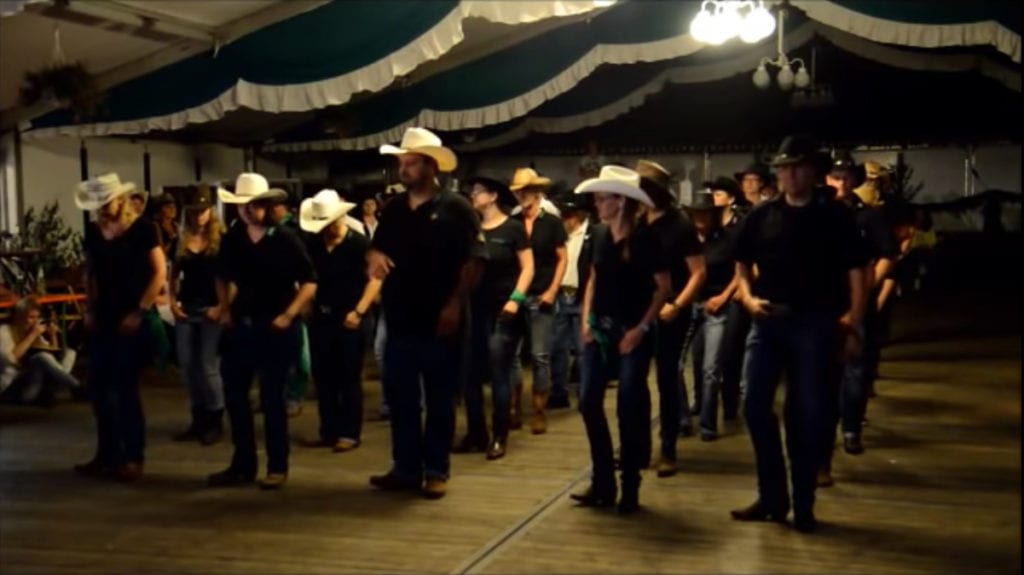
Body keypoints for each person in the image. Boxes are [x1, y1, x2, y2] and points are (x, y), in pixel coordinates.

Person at [730, 135, 867, 533]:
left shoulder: (834, 215)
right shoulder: (762, 214)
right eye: (783, 168)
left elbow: (857, 273)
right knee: (755, 406)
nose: (789, 175)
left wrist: (853, 323)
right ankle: (772, 496)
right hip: (769, 319)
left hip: (815, 322)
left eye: (797, 167)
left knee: (805, 414)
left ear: (813, 171)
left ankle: (802, 502)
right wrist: (748, 299)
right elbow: (741, 264)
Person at [368, 127, 486, 499]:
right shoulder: (395, 209)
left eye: (411, 162)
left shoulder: (456, 208)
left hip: (440, 318)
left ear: (431, 166)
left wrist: (454, 303)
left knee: (439, 397)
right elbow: (377, 248)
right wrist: (372, 256)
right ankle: (405, 467)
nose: (403, 169)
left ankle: (436, 469)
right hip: (401, 316)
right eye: (401, 162)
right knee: (401, 398)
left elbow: (474, 260)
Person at [208, 173, 317, 490]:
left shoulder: (285, 239)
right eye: (242, 205)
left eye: (253, 205)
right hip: (241, 327)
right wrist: (224, 306)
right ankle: (242, 464)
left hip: (275, 328)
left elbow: (309, 281)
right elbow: (221, 274)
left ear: (266, 206)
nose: (247, 211)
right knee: (236, 399)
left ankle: (277, 465)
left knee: (272, 399)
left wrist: (289, 313)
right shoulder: (233, 238)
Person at [572, 166, 670, 514]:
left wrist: (641, 329)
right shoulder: (598, 235)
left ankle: (630, 484)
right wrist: (586, 319)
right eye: (597, 199)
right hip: (600, 327)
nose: (597, 205)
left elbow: (663, 287)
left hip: (632, 328)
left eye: (603, 199)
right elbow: (593, 279)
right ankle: (602, 481)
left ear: (622, 202)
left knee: (629, 402)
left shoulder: (645, 238)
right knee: (587, 402)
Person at [73, 173, 166, 482]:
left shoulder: (143, 230)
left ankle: (133, 455)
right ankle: (106, 453)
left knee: (125, 387)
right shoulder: (94, 232)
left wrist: (140, 310)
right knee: (99, 386)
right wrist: (89, 307)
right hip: (104, 314)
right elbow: (91, 273)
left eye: (105, 203)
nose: (101, 209)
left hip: (131, 314)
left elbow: (159, 273)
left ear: (120, 200)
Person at [456, 177, 534, 459]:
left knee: (499, 370)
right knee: (470, 374)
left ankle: (500, 435)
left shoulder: (512, 228)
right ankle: (476, 433)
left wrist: (516, 299)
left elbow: (528, 267)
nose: (472, 196)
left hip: (504, 308)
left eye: (476, 192)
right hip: (473, 308)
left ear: (492, 196)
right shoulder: (471, 229)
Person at [635, 160, 704, 477]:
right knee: (634, 379)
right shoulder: (637, 222)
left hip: (670, 310)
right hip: (639, 308)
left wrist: (677, 304)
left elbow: (698, 273)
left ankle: (668, 449)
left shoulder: (680, 224)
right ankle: (640, 448)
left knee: (666, 378)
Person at [300, 190, 381, 453]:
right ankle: (329, 429)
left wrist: (358, 311)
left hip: (350, 317)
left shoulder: (359, 244)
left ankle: (349, 432)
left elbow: (375, 280)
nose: (327, 229)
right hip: (321, 316)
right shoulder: (314, 244)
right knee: (324, 376)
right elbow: (307, 277)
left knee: (348, 377)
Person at [508, 167, 568, 435]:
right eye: (518, 191)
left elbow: (562, 257)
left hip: (542, 292)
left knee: (540, 355)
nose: (522, 195)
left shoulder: (551, 222)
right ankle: (512, 409)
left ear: (536, 192)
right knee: (512, 355)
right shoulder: (514, 222)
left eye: (526, 190)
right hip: (516, 295)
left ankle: (539, 410)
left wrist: (553, 290)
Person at [168, 185, 225, 445]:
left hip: (211, 307)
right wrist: (172, 301)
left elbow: (226, 278)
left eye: (203, 211)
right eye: (194, 211)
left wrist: (222, 306)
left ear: (210, 211)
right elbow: (171, 274)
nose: (199, 216)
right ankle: (198, 417)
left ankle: (215, 418)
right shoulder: (181, 240)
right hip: (187, 305)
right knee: (188, 366)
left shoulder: (220, 240)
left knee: (207, 365)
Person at [683, 188, 739, 442]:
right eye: (697, 213)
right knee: (680, 364)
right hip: (689, 305)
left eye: (705, 213)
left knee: (710, 367)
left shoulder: (727, 238)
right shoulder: (686, 239)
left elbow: (741, 271)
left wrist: (723, 296)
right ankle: (684, 417)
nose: (701, 218)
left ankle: (707, 422)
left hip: (716, 304)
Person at [548, 187, 595, 409]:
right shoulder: (559, 235)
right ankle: (559, 393)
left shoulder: (592, 234)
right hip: (561, 294)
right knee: (557, 348)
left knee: (584, 350)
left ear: (579, 214)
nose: (566, 219)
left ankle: (585, 395)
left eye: (569, 215)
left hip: (581, 295)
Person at [0, 297, 82, 406]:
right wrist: (32, 335)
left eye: (37, 317)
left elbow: (51, 355)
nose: (35, 321)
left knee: (70, 353)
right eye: (31, 317)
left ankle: (53, 390)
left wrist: (52, 336)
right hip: (13, 386)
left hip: (36, 382)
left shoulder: (32, 330)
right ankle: (77, 387)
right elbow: (10, 359)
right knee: (40, 357)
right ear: (20, 317)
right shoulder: (5, 331)